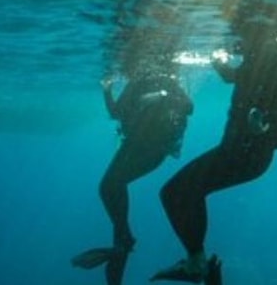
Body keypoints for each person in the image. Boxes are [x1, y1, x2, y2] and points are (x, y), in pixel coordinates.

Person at [152, 20, 277, 283]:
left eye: (240, 33)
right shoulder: (265, 56)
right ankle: (197, 263)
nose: (237, 40)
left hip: (243, 155)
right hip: (245, 154)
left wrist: (264, 124)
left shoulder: (267, 56)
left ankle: (197, 264)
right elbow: (235, 76)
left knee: (175, 192)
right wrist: (219, 61)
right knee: (184, 192)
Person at [72, 69, 194, 284]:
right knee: (109, 187)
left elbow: (189, 106)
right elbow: (116, 113)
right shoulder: (137, 81)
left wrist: (162, 95)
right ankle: (123, 238)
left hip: (154, 149)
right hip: (133, 146)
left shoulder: (165, 78)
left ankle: (123, 238)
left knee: (111, 185)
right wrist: (107, 89)